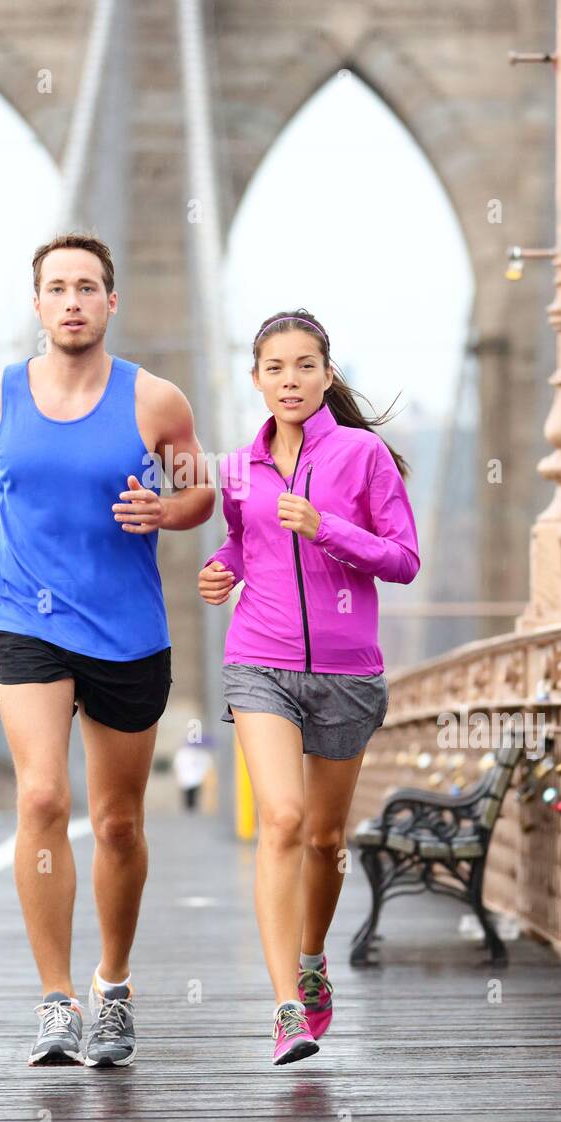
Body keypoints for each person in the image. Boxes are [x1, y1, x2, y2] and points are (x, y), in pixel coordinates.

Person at [0, 232, 214, 1068]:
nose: (72, 300)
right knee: (40, 799)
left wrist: (166, 514)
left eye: (87, 287)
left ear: (110, 302)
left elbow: (200, 489)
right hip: (25, 615)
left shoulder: (156, 401)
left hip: (127, 630)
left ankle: (114, 985)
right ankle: (55, 1000)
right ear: (37, 305)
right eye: (56, 287)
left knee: (119, 821)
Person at [198, 309, 420, 1066]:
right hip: (259, 660)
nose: (288, 380)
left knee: (325, 840)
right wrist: (221, 569)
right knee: (284, 821)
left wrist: (325, 526)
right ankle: (287, 1006)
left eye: (303, 366)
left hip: (347, 674)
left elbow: (402, 559)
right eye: (274, 367)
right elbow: (240, 538)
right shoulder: (237, 468)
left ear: (327, 373)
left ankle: (313, 959)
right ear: (255, 377)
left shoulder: (361, 456)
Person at [172, 736, 214, 811]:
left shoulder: (200, 753)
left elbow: (206, 764)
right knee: (189, 795)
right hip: (187, 778)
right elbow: (179, 764)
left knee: (194, 794)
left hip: (196, 778)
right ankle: (189, 808)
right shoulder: (184, 753)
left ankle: (192, 808)